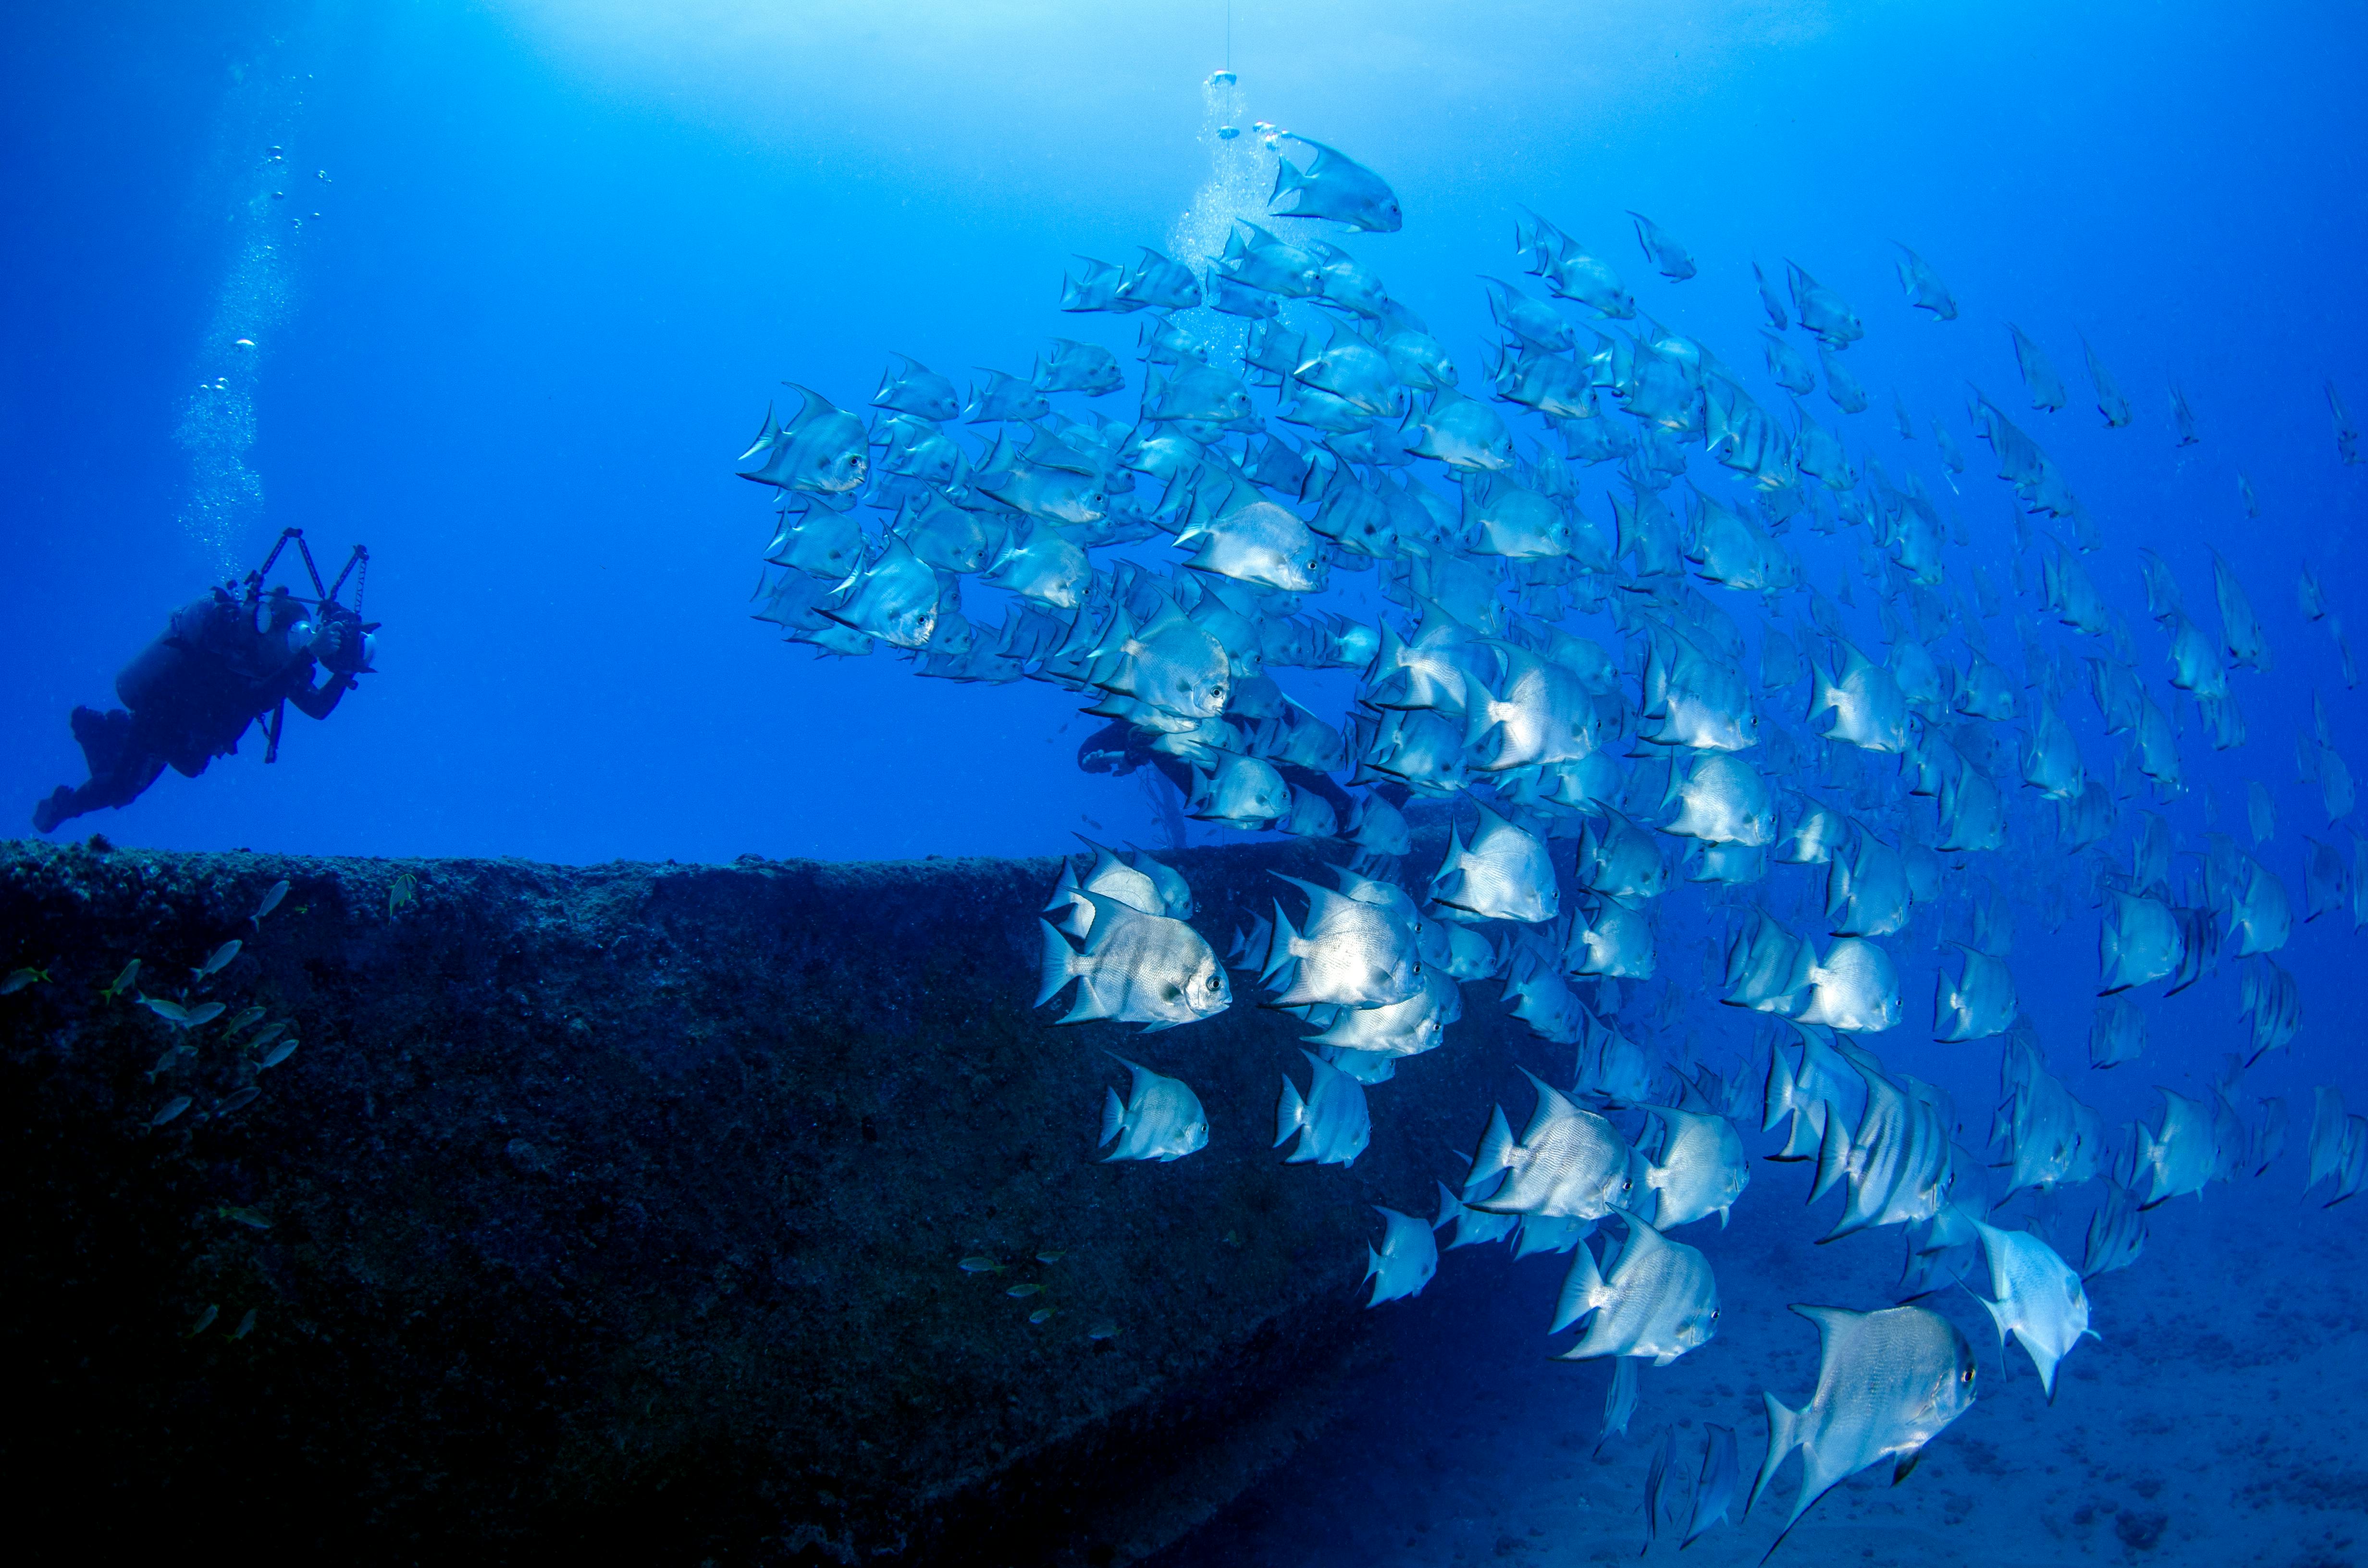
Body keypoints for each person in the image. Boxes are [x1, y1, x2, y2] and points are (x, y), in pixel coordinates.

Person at [31, 581, 372, 833]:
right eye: (290, 641)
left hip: (185, 731)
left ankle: (104, 728)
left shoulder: (280, 661)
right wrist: (307, 655)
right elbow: (254, 698)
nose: (290, 651)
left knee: (150, 777)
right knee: (122, 789)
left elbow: (317, 707)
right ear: (266, 626)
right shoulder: (235, 646)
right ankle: (65, 804)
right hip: (162, 715)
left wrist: (345, 671)